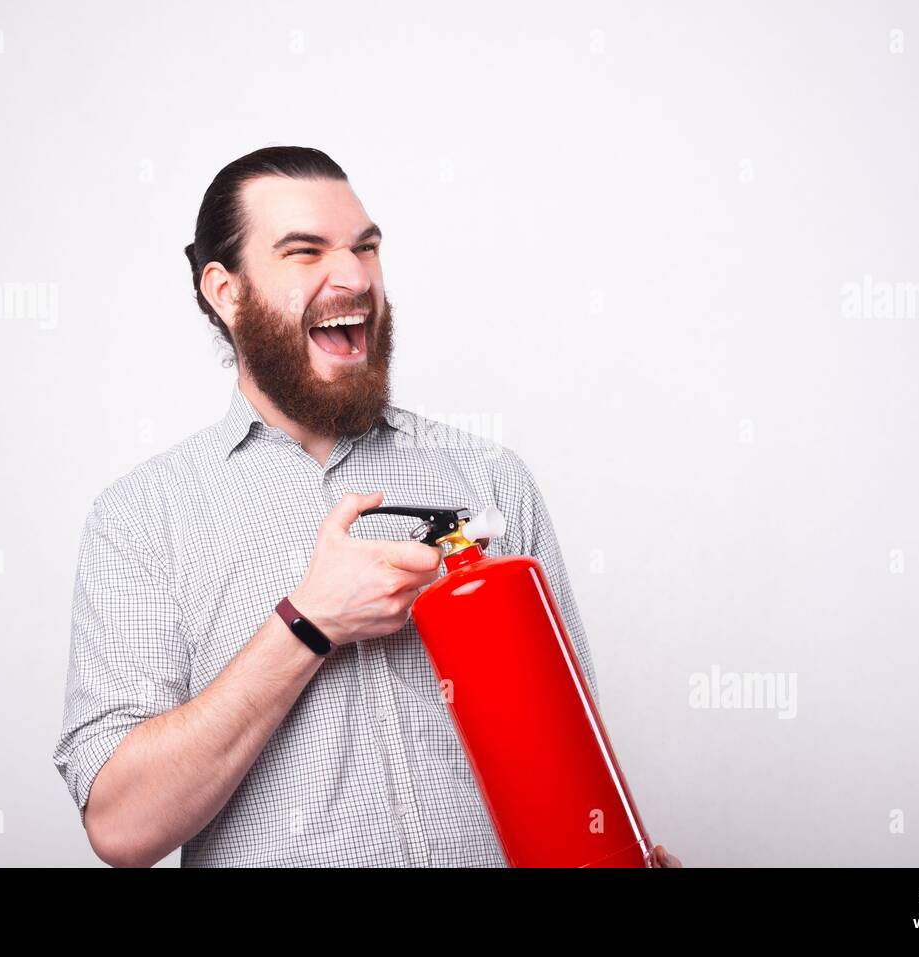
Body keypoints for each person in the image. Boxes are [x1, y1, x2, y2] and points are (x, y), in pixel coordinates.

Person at [51, 145, 681, 869]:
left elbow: (576, 764)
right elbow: (123, 826)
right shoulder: (143, 516)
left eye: (366, 248)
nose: (353, 277)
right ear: (226, 292)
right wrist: (309, 623)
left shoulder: (490, 477)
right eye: (304, 251)